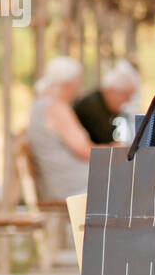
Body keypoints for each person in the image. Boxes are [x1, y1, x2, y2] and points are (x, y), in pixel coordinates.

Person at [25, 56, 104, 200]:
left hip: (56, 182)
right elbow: (85, 151)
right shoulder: (56, 108)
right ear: (68, 84)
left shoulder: (38, 105)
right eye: (78, 84)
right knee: (125, 182)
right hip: (72, 185)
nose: (80, 90)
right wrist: (115, 152)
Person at [73, 60, 140, 145]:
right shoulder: (92, 107)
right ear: (112, 90)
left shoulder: (105, 107)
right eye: (126, 95)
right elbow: (107, 141)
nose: (128, 100)